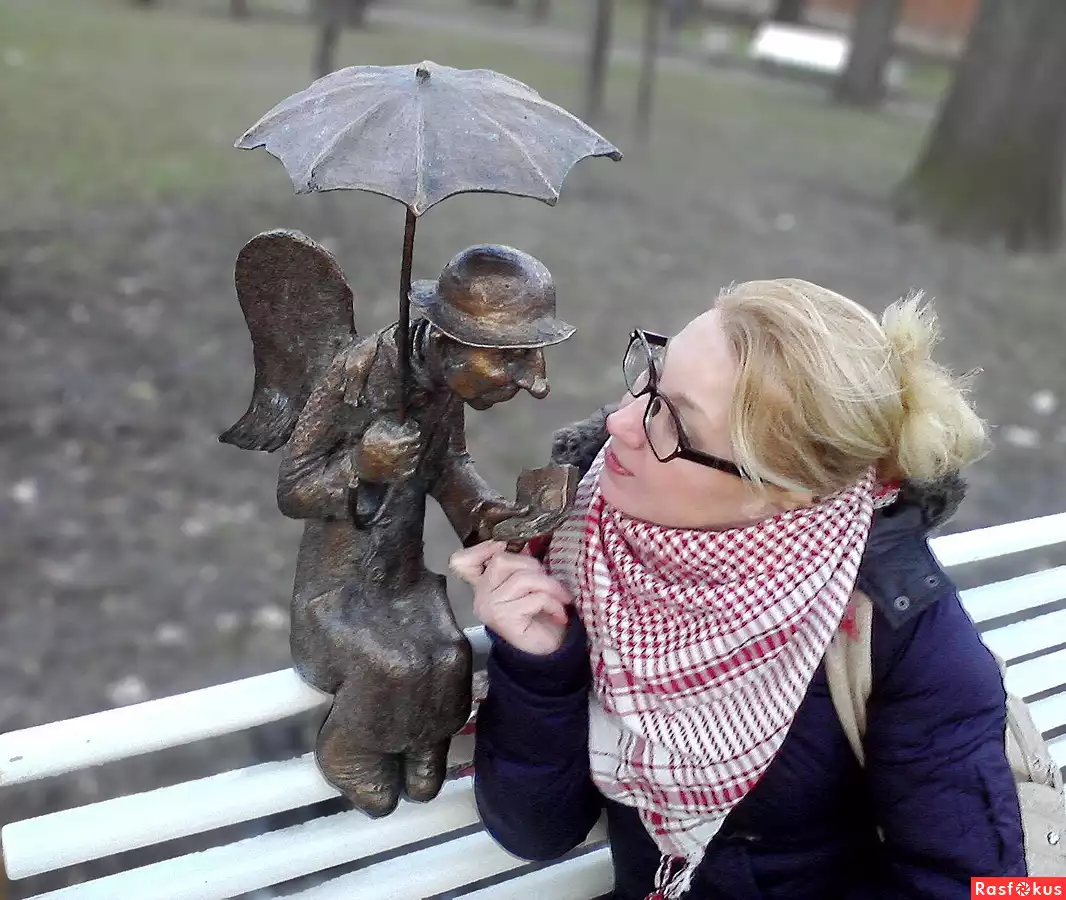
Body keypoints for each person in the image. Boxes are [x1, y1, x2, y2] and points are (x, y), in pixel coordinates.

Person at [451, 279, 1025, 899]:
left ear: (782, 493)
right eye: (650, 379)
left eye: (676, 421)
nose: (618, 421)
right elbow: (536, 832)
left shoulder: (895, 627)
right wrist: (539, 668)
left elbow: (974, 886)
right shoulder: (577, 544)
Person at [223, 237, 573, 817]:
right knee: (394, 663)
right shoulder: (353, 378)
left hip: (400, 579)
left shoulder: (439, 384)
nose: (535, 381)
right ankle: (352, 743)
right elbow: (295, 490)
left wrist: (490, 517)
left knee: (449, 656)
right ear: (449, 340)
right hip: (338, 590)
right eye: (511, 357)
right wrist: (363, 464)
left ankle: (415, 737)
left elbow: (449, 468)